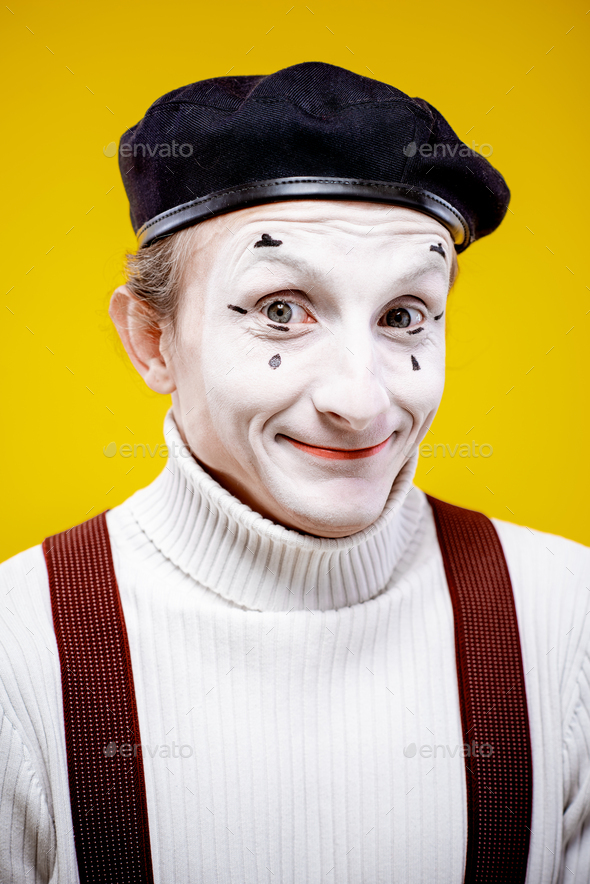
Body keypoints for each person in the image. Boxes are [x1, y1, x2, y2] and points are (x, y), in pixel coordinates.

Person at [1, 61, 589, 884]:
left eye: (404, 316)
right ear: (151, 339)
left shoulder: (569, 622)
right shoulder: (18, 652)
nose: (361, 399)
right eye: (282, 310)